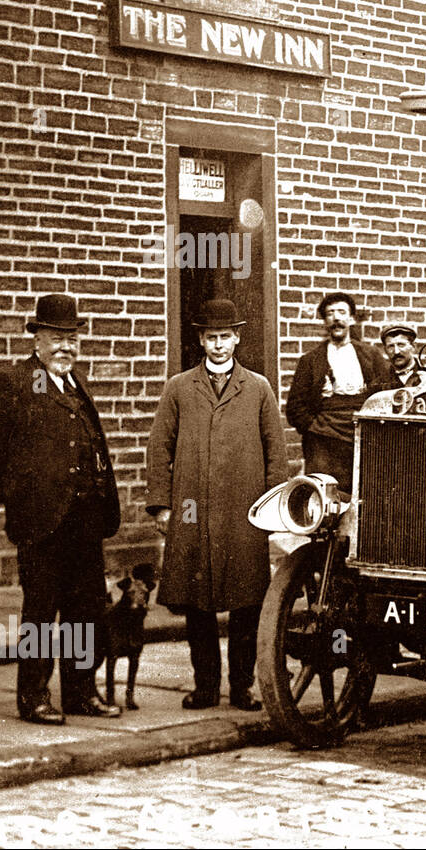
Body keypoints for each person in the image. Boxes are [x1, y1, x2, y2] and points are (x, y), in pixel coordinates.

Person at [146, 299, 289, 710]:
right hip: (192, 514)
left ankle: (241, 685)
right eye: (211, 337)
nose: (219, 344)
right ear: (200, 340)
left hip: (244, 516)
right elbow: (160, 447)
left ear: (238, 338)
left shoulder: (258, 387)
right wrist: (162, 506)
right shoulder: (179, 387)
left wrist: (273, 508)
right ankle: (205, 685)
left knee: (246, 604)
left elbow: (275, 451)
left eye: (226, 336)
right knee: (198, 606)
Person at [0, 293, 121, 724]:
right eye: (56, 338)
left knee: (85, 611)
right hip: (42, 522)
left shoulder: (75, 382)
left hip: (84, 520)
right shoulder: (15, 381)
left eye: (72, 338)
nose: (66, 347)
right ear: (37, 339)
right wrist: (16, 497)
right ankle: (33, 696)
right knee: (41, 614)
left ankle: (81, 691)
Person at [286, 292, 389, 491]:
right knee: (324, 495)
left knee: (366, 490)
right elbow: (295, 406)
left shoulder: (371, 355)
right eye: (330, 314)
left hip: (363, 434)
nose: (336, 318)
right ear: (325, 322)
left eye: (342, 312)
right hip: (324, 439)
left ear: (351, 319)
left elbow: (386, 392)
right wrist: (313, 428)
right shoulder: (311, 360)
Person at [376, 323, 423, 388]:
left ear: (413, 346)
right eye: (391, 346)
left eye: (401, 345)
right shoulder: (379, 383)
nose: (396, 352)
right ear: (385, 350)